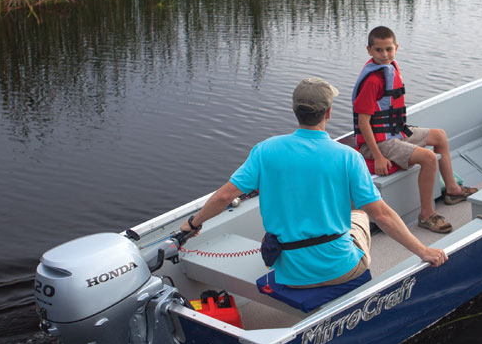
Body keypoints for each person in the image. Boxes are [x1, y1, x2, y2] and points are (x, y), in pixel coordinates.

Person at [180, 76, 447, 288]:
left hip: (290, 276)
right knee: (361, 216)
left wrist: (192, 224)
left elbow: (224, 197)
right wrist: (423, 251)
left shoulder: (265, 150)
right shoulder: (348, 157)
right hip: (340, 271)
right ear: (328, 113)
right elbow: (383, 215)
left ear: (295, 110)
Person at [352, 26, 476, 234]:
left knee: (440, 136)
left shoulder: (390, 69)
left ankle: (452, 190)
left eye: (389, 49)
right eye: (379, 50)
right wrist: (377, 156)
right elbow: (364, 123)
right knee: (428, 158)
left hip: (394, 132)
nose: (384, 55)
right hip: (377, 143)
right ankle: (426, 215)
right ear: (369, 50)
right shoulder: (373, 80)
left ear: (396, 48)